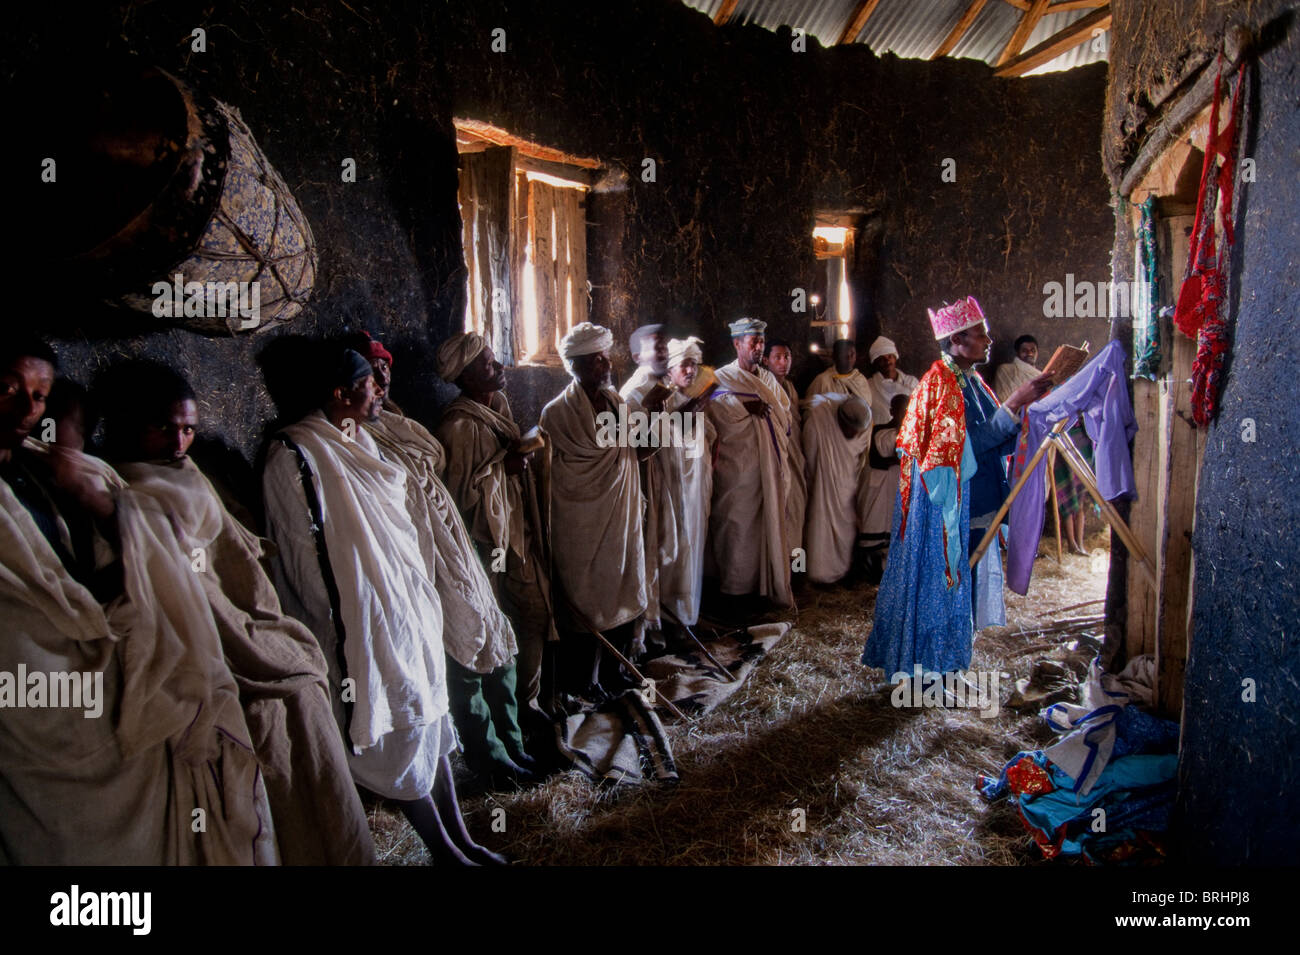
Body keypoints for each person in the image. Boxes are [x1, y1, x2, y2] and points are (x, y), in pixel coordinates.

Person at [0, 336, 273, 864]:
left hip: (105, 647)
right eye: (9, 390)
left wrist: (98, 505)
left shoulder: (46, 468)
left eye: (39, 396)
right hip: (33, 688)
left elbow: (141, 556)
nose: (26, 409)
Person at [104, 361, 374, 865]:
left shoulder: (189, 477)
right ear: (126, 425)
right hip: (195, 644)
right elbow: (183, 591)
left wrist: (265, 630)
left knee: (306, 684)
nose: (177, 442)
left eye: (187, 429)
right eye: (162, 427)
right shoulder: (128, 492)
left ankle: (335, 847)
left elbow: (237, 565)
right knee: (285, 698)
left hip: (240, 621)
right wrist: (254, 647)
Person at [262, 346, 504, 865]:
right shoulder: (296, 453)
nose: (379, 390)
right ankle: (445, 851)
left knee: (430, 721)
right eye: (370, 382)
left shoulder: (365, 441)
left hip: (406, 610)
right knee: (396, 732)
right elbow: (304, 558)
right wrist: (348, 624)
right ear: (341, 393)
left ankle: (461, 838)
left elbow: (399, 524)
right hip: (360, 623)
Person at [342, 333, 533, 789]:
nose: (382, 376)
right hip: (418, 550)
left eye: (385, 367)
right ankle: (488, 759)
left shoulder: (397, 421)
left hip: (452, 540)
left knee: (496, 638)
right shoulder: (355, 437)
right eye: (372, 370)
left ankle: (513, 744)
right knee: (462, 649)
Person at [863, 298, 1051, 679]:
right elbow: (963, 446)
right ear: (956, 339)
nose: (989, 339)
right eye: (980, 333)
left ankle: (949, 664)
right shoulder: (940, 383)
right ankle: (927, 670)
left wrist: (1027, 414)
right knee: (945, 585)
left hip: (976, 501)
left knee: (964, 586)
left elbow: (994, 436)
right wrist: (1014, 403)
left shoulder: (973, 381)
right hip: (947, 510)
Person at [433, 333, 559, 745]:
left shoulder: (497, 408)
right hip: (487, 546)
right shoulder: (460, 426)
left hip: (515, 535)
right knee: (498, 619)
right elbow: (458, 498)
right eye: (487, 365)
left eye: (494, 360)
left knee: (533, 613)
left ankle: (528, 701)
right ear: (466, 377)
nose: (499, 367)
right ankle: (504, 720)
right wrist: (503, 467)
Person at [540, 322, 649, 697]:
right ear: (576, 366)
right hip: (581, 522)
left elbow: (632, 451)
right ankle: (584, 679)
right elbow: (557, 476)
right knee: (587, 598)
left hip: (620, 516)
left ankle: (616, 672)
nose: (606, 366)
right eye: (596, 361)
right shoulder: (557, 414)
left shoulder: (617, 402)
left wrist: (655, 420)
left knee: (620, 589)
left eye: (606, 358)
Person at [706, 317, 794, 617]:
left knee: (764, 527)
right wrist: (744, 408)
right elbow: (713, 410)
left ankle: (761, 590)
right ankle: (732, 594)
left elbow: (784, 415)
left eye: (760, 341)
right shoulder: (721, 378)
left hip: (769, 469)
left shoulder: (768, 379)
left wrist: (764, 412)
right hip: (738, 471)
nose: (758, 347)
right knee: (736, 526)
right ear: (737, 344)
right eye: (752, 341)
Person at [657, 336, 716, 629]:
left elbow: (707, 436)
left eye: (694, 365)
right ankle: (671, 618)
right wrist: (690, 411)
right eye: (684, 365)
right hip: (676, 486)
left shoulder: (696, 399)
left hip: (696, 488)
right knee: (677, 546)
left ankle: (690, 614)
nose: (691, 372)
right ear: (670, 370)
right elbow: (666, 439)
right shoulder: (664, 401)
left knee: (694, 545)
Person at [802, 394, 873, 585]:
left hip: (848, 486)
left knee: (848, 529)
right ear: (840, 419)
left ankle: (841, 572)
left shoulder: (864, 423)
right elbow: (809, 458)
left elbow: (861, 457)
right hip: (822, 487)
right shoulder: (819, 419)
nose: (854, 434)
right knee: (819, 528)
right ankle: (818, 575)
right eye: (850, 429)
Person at [763, 337, 808, 557]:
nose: (783, 362)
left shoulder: (790, 387)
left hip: (794, 455)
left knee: (796, 505)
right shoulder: (763, 387)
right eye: (777, 357)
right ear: (766, 360)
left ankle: (792, 565)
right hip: (774, 457)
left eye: (787, 357)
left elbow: (794, 422)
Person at [858, 392, 910, 580]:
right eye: (900, 411)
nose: (904, 414)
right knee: (874, 520)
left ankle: (889, 572)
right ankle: (867, 571)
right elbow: (874, 459)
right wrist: (894, 460)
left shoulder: (913, 432)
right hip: (879, 485)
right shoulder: (879, 430)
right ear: (891, 411)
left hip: (899, 485)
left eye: (907, 410)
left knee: (894, 525)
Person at [865, 336, 920, 425]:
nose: (887, 361)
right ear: (876, 362)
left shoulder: (911, 382)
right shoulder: (869, 386)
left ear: (895, 358)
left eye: (890, 356)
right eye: (882, 359)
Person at [806, 338, 873, 403]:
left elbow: (867, 405)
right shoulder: (822, 381)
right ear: (834, 356)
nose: (849, 358)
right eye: (844, 354)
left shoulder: (860, 379)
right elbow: (811, 407)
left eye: (852, 354)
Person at [994, 334, 1040, 402]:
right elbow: (1004, 401)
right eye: (1025, 351)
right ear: (1017, 353)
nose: (1030, 354)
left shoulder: (1040, 375)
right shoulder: (1006, 370)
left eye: (1033, 351)